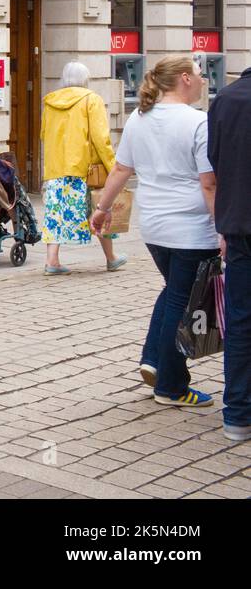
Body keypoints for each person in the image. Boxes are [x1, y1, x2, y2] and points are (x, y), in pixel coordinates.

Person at [91, 57, 218, 409]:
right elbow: (208, 184)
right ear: (183, 79)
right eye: (198, 74)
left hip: (155, 227)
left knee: (174, 292)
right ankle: (172, 385)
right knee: (183, 301)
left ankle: (153, 359)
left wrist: (102, 209)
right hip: (192, 228)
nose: (204, 79)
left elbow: (120, 168)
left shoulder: (139, 117)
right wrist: (222, 228)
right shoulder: (198, 122)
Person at [40, 61, 125, 275]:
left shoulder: (50, 102)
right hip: (85, 168)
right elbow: (100, 137)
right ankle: (111, 258)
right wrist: (112, 166)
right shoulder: (91, 100)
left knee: (56, 213)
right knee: (100, 207)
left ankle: (52, 260)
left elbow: (44, 135)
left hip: (56, 166)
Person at [208, 58, 251, 440]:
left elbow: (215, 162)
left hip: (239, 227)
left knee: (240, 321)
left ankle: (237, 414)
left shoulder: (225, 99)